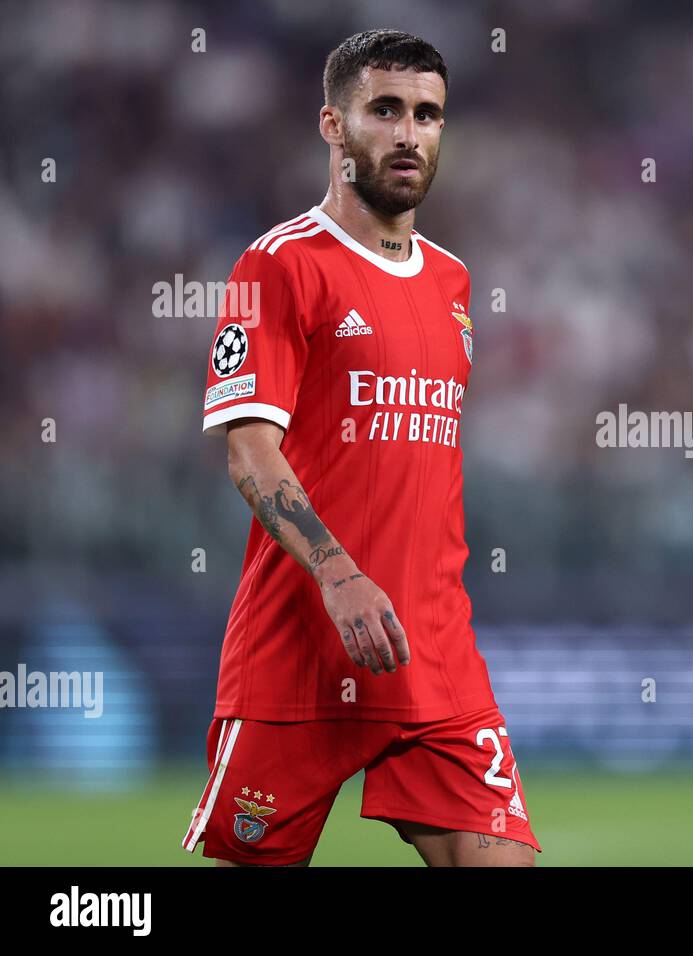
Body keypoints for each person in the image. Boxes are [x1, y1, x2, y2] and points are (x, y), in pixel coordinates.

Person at [180, 29, 539, 866]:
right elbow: (250, 453)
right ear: (333, 127)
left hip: (434, 659)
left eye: (428, 115)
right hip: (299, 655)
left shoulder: (453, 281)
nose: (409, 134)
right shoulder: (278, 266)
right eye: (385, 110)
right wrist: (339, 575)